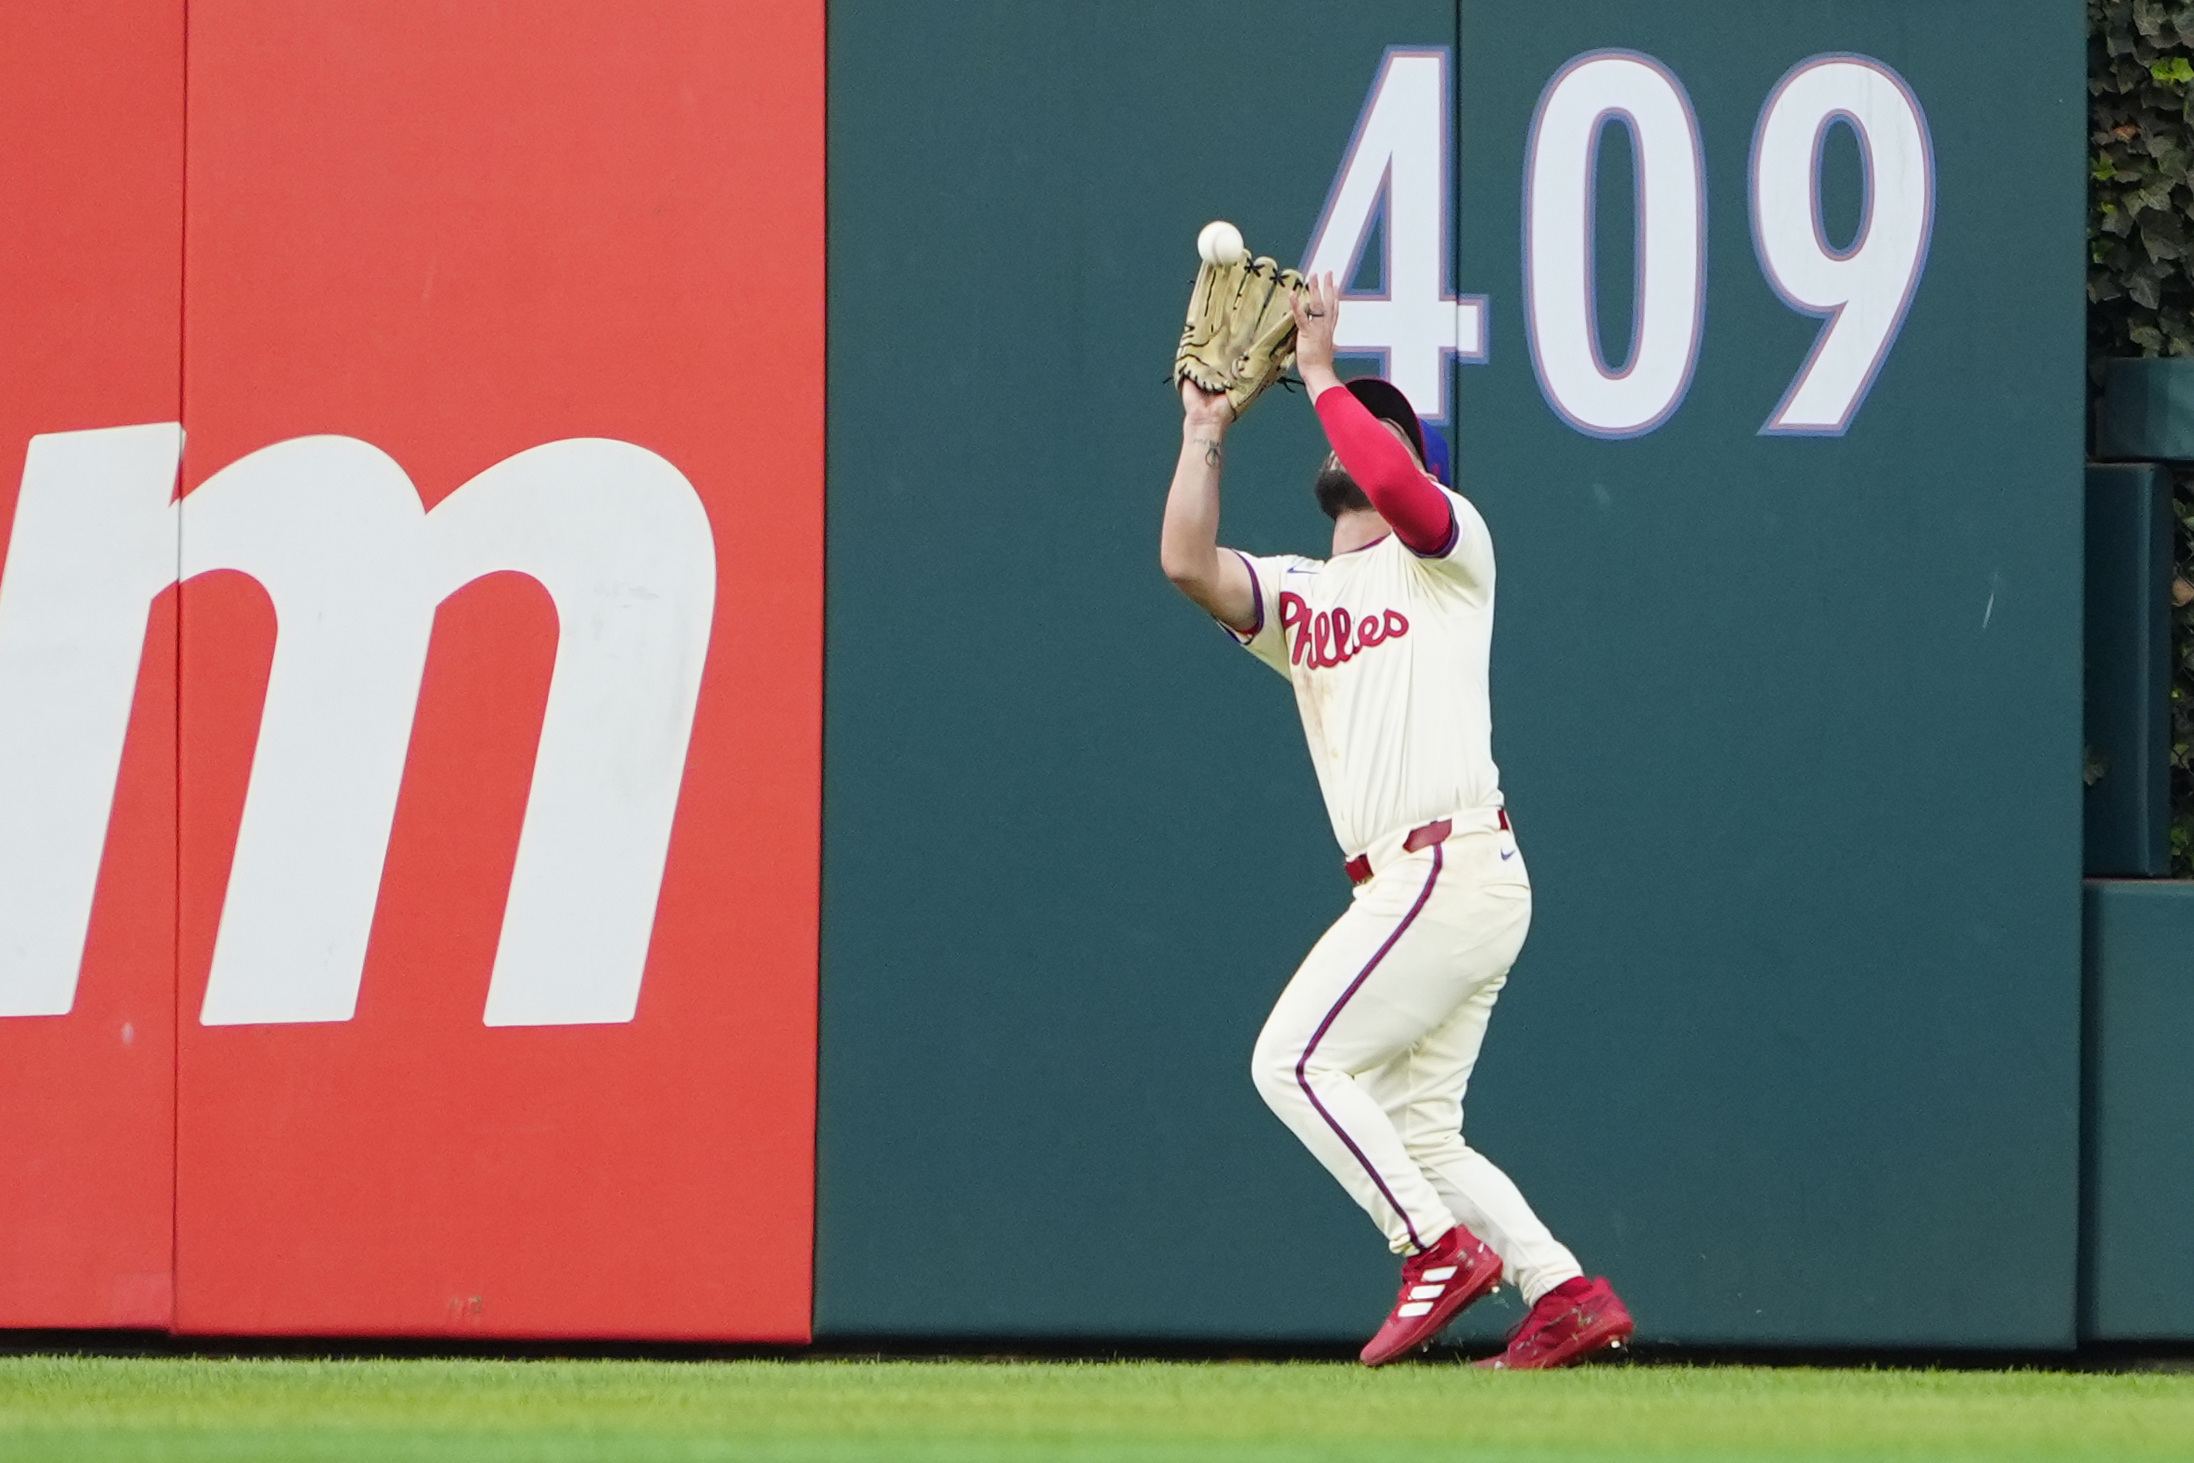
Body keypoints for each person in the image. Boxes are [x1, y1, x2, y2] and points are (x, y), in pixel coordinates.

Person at [1157, 272, 1633, 1369]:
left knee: (1291, 1061)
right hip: (1428, 885)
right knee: (1422, 1130)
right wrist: (1203, 429)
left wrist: (1324, 373)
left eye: (1388, 427)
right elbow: (1185, 561)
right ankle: (1562, 1291)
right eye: (1354, 419)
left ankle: (1430, 1245)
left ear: (1420, 465)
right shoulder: (1299, 596)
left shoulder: (1449, 556)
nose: (1362, 434)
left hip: (1446, 864)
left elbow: (1390, 477)